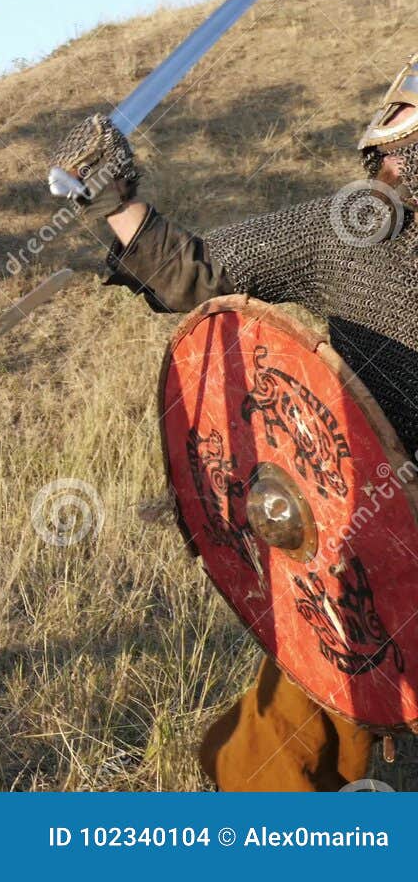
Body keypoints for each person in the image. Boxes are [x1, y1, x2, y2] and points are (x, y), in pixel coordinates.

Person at [49, 53, 418, 791]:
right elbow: (194, 271)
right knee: (280, 762)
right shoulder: (355, 230)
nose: (400, 155)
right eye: (403, 137)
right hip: (352, 549)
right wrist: (113, 198)